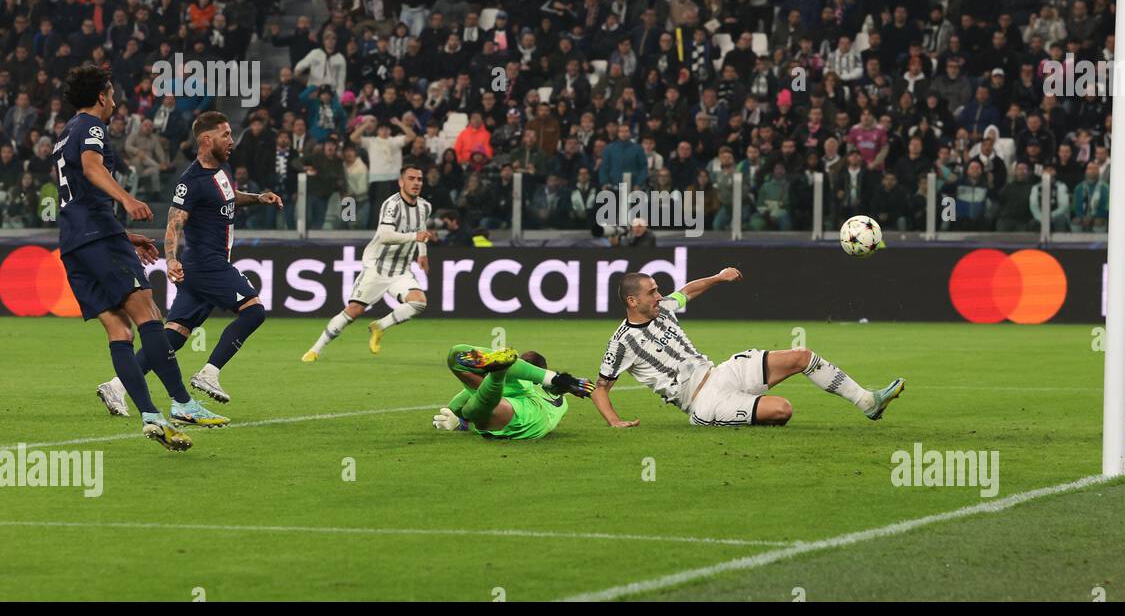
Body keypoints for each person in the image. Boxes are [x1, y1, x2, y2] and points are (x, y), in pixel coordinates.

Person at [96, 112, 283, 422]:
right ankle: (210, 372)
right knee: (253, 311)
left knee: (174, 336)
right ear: (206, 140)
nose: (231, 140)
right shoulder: (190, 181)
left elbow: (227, 197)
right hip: (206, 265)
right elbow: (174, 223)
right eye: (225, 135)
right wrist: (171, 259)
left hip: (204, 268)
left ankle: (116, 386)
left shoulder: (221, 171)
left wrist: (258, 197)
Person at [54, 65, 194, 451]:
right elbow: (92, 167)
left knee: (119, 332)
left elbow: (81, 194)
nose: (114, 100)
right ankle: (183, 402)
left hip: (75, 244)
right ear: (101, 96)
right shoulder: (91, 128)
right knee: (149, 316)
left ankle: (150, 415)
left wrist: (125, 235)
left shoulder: (65, 132)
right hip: (98, 237)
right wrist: (127, 199)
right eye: (112, 93)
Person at [590, 268, 905, 427]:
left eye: (657, 289)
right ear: (633, 301)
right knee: (783, 410)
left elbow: (688, 290)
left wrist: (719, 277)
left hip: (720, 373)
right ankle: (739, 409)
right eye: (651, 292)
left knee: (802, 356)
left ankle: (867, 401)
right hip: (703, 402)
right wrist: (614, 421)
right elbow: (600, 388)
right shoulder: (622, 341)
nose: (659, 295)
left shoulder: (665, 307)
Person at [303, 164, 432, 361]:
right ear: (401, 182)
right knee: (353, 311)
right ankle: (315, 349)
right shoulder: (392, 205)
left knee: (418, 302)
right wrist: (415, 236)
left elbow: (422, 229)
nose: (416, 183)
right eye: (411, 178)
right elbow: (385, 235)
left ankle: (379, 327)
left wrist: (422, 254)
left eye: (419, 179)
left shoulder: (424, 207)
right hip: (377, 267)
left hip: (401, 271)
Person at [431, 345, 596, 440]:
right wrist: (570, 383)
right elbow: (558, 390)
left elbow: (456, 405)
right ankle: (498, 371)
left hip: (531, 414)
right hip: (526, 419)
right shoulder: (554, 396)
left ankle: (499, 372)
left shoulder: (530, 386)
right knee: (474, 407)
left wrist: (460, 420)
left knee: (456, 356)